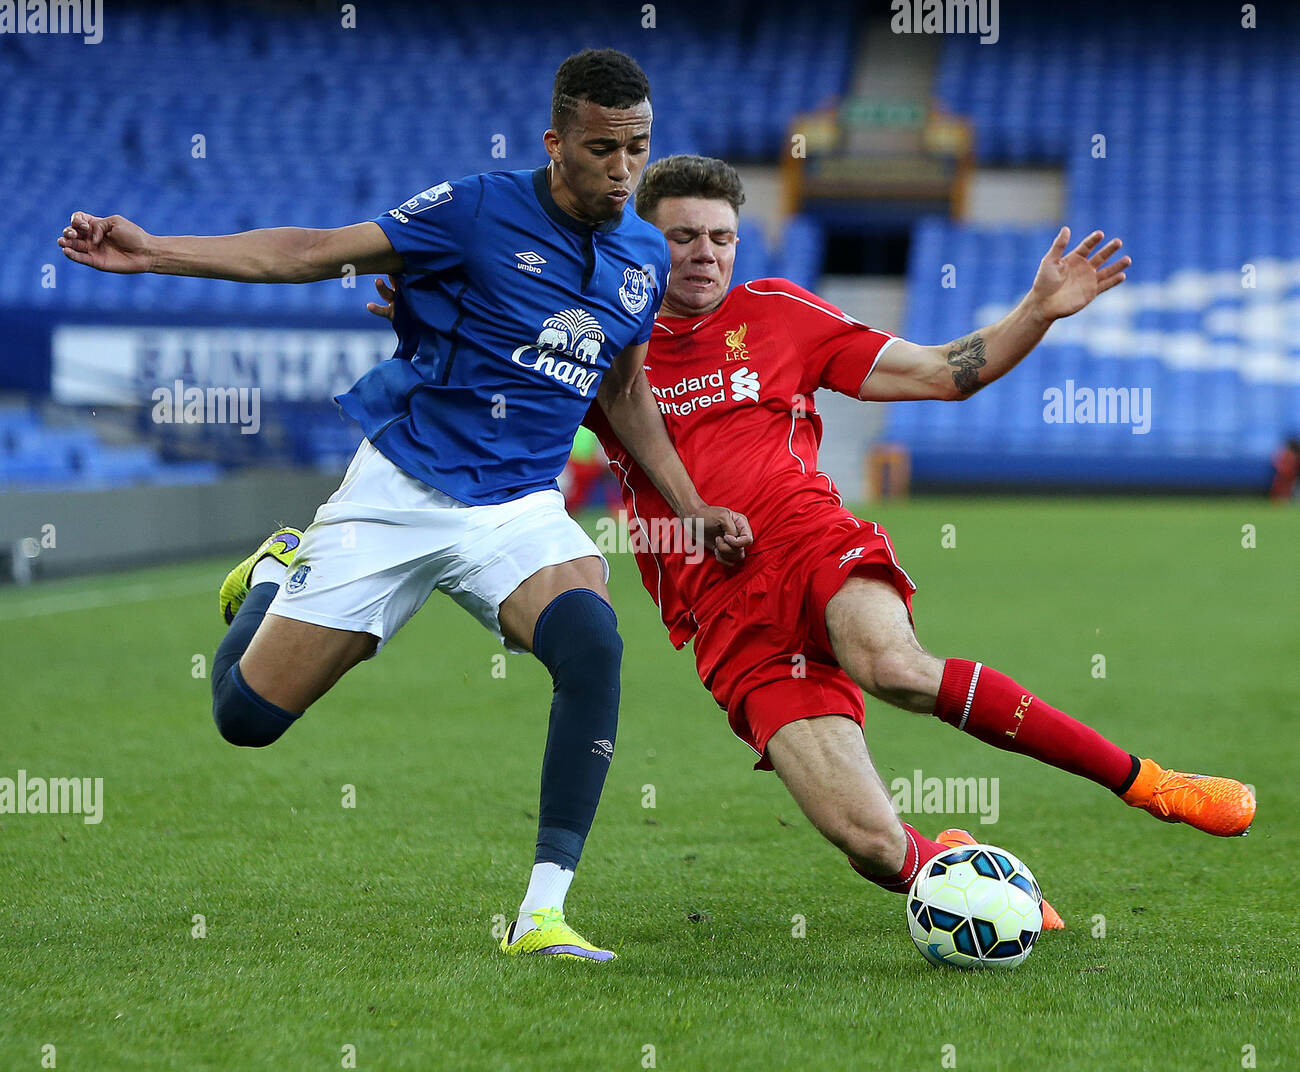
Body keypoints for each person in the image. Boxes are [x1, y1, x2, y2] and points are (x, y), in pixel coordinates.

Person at [376, 154, 1256, 932]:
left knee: (896, 666)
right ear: (641, 244)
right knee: (869, 844)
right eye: (682, 237)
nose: (705, 254)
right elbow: (478, 368)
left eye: (721, 236)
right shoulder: (594, 337)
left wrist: (1036, 310)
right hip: (717, 611)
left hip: (806, 540)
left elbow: (944, 374)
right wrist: (425, 314)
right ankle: (953, 869)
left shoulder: (781, 314)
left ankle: (1149, 782)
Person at [57, 54, 752, 963]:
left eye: (638, 148)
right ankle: (276, 569)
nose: (624, 169)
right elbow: (314, 252)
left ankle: (541, 912)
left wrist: (690, 503)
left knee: (593, 645)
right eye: (602, 148)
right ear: (555, 144)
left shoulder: (639, 256)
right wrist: (156, 253)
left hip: (519, 507)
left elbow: (622, 394)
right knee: (246, 717)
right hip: (401, 489)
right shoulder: (475, 209)